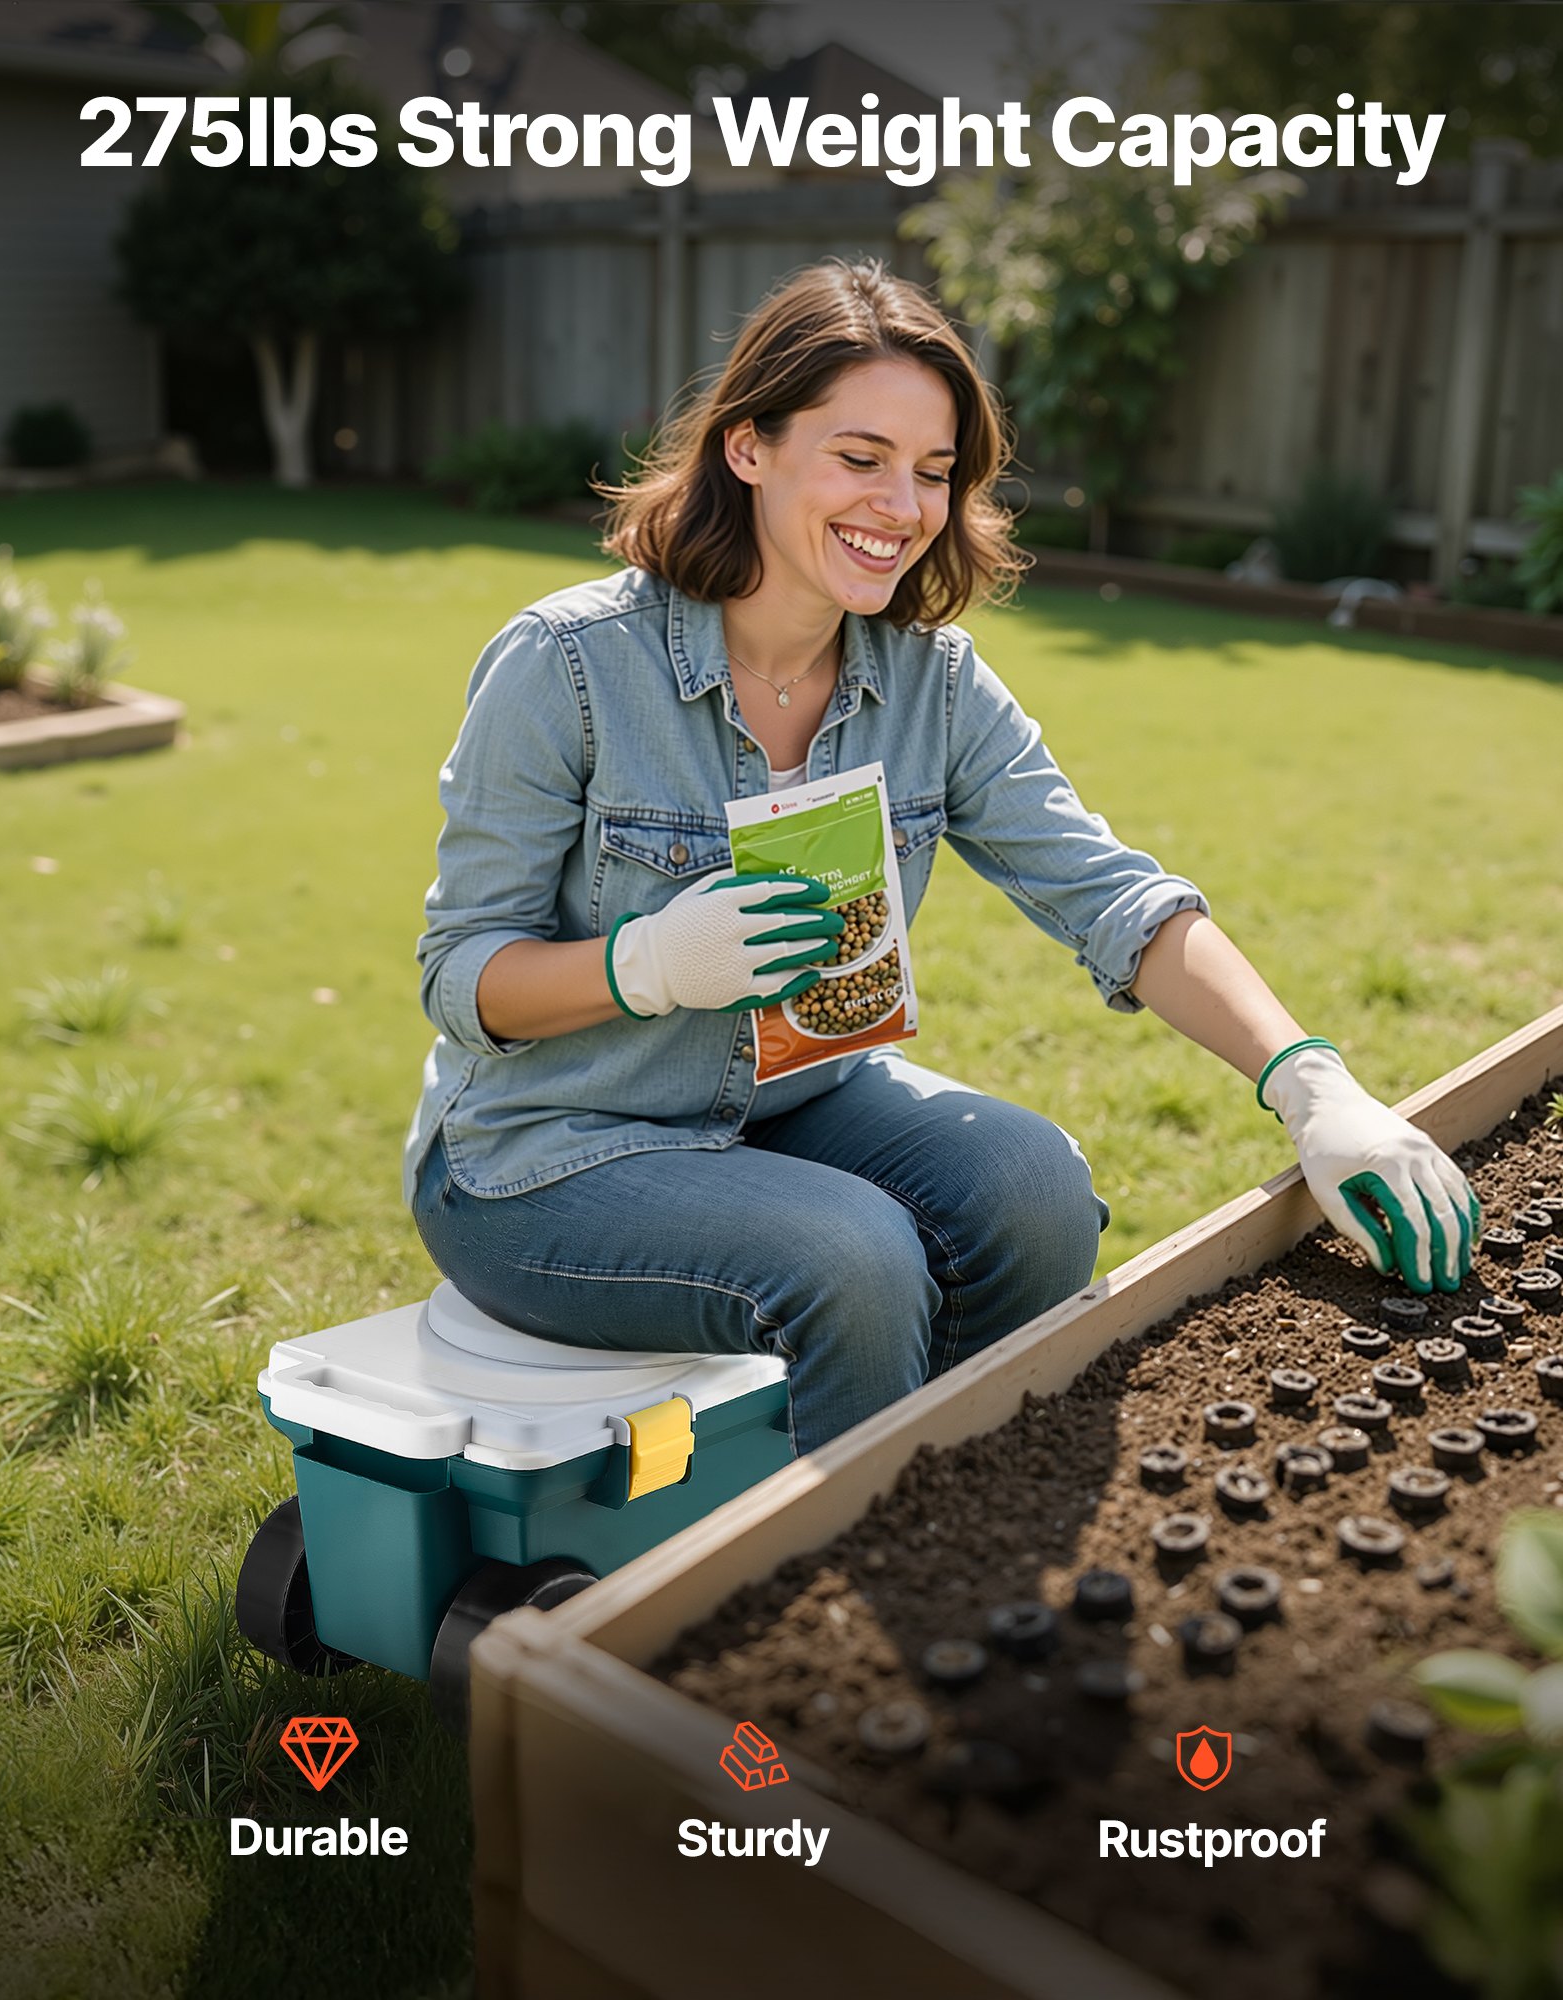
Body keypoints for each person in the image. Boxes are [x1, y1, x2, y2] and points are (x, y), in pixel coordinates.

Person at [405, 259, 1478, 1458]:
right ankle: (821, 1587)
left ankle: (954, 1513)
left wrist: (1310, 1082)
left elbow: (1110, 893)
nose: (901, 506)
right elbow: (461, 973)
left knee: (1036, 1189)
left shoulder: (933, 681)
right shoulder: (568, 666)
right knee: (849, 1256)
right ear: (748, 447)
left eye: (933, 471)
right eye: (859, 458)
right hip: (547, 1149)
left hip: (790, 1102)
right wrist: (643, 964)